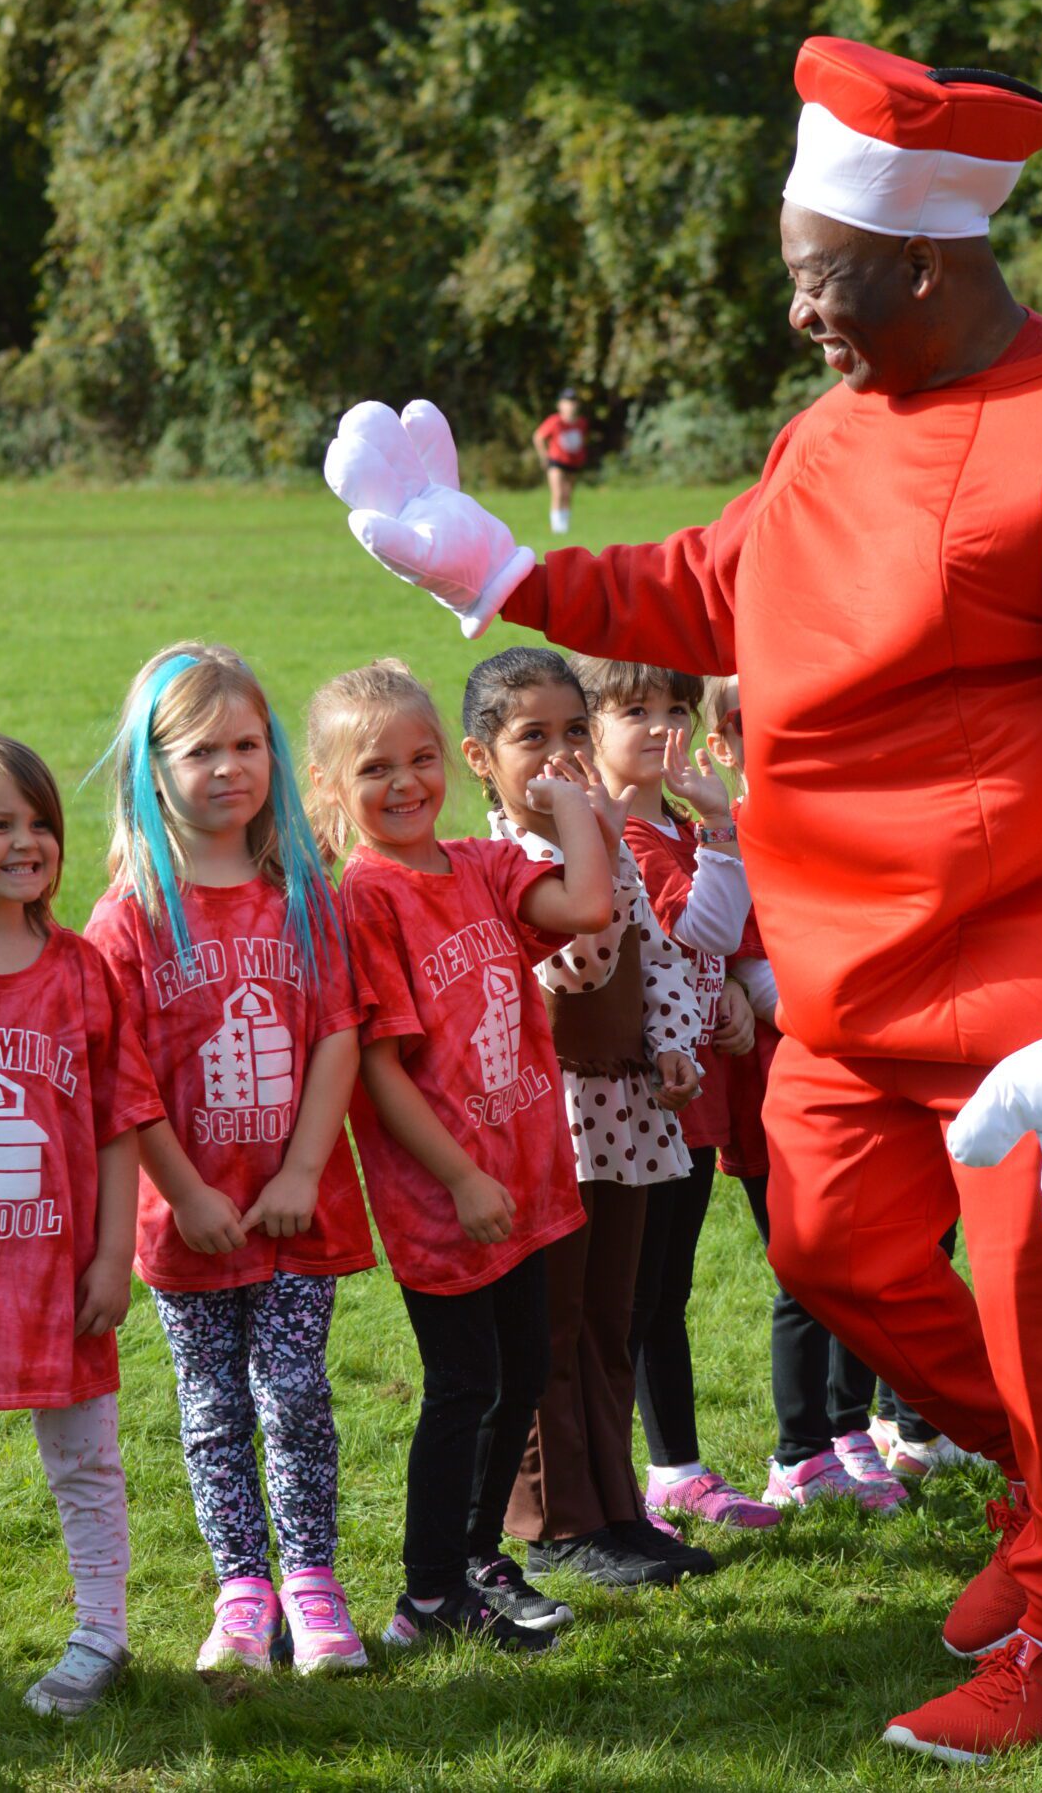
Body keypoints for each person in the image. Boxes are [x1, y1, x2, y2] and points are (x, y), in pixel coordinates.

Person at [325, 36, 1042, 1761]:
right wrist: (498, 560)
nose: (798, 313)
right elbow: (715, 580)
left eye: (819, 279)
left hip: (1039, 1011)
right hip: (851, 976)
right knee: (832, 1252)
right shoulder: (836, 429)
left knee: (1040, 1311)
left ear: (926, 256)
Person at [308, 658, 614, 1652]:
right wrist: (459, 1174)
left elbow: (586, 907)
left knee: (522, 1367)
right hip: (451, 1198)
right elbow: (382, 1071)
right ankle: (429, 1591)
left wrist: (568, 798)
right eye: (375, 770)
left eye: (421, 758)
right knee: (462, 1386)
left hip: (523, 1179)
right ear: (333, 788)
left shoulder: (477, 865)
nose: (404, 784)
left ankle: (479, 1560)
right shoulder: (367, 895)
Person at [85, 643, 373, 1677]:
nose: (228, 766)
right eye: (199, 748)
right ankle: (242, 1588)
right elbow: (121, 1078)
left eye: (247, 742)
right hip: (192, 1216)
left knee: (293, 1392)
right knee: (211, 1408)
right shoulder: (130, 918)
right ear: (150, 768)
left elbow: (339, 1031)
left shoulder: (303, 892)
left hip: (298, 1207)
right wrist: (185, 1188)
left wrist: (300, 1170)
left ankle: (313, 1579)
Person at [461, 645, 715, 1591]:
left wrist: (677, 1040)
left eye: (576, 731)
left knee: (616, 1314)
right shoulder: (502, 866)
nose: (561, 754)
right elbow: (574, 964)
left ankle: (618, 1503)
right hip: (551, 1118)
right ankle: (559, 1518)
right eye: (534, 737)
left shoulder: (594, 842)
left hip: (629, 1108)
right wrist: (591, 843)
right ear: (483, 758)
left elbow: (658, 950)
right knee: (553, 1324)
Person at [574, 656, 781, 1531]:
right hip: (632, 1098)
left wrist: (733, 984)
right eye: (637, 710)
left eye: (675, 708)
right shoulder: (618, 834)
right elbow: (698, 924)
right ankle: (633, 1481)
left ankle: (673, 1470)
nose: (662, 727)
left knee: (666, 1290)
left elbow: (718, 942)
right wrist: (723, 828)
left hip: (693, 1094)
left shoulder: (683, 828)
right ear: (592, 727)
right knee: (627, 1298)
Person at [701, 677, 908, 1513]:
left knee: (858, 1255)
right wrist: (839, 1010)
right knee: (806, 1264)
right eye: (756, 722)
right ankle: (798, 1449)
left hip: (857, 1071)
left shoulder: (836, 815)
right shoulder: (734, 828)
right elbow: (749, 968)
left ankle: (849, 1425)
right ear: (721, 740)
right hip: (779, 1083)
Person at [0, 737, 158, 1717]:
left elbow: (120, 1120)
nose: (24, 841)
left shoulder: (81, 969)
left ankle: (102, 1630)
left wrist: (112, 1255)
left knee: (86, 1458)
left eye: (37, 822)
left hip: (60, 1270)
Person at [533, 389, 589, 536]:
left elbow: (580, 442)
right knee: (557, 492)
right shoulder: (555, 421)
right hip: (556, 461)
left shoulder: (581, 423)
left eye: (573, 402)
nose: (570, 406)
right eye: (567, 402)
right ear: (560, 405)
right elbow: (538, 437)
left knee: (567, 494)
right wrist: (543, 456)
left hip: (572, 462)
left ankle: (564, 525)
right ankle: (556, 528)